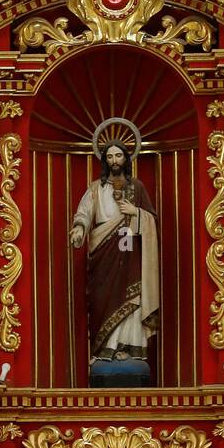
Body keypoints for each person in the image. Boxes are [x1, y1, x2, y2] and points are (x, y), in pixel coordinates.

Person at [70, 127, 159, 380]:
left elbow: (151, 219)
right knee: (102, 295)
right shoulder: (96, 189)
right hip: (101, 249)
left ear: (126, 158)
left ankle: (130, 348)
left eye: (118, 156)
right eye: (109, 157)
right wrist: (79, 229)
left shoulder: (137, 187)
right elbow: (84, 212)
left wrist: (136, 212)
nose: (114, 161)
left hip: (126, 240)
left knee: (128, 290)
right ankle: (104, 348)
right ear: (104, 160)